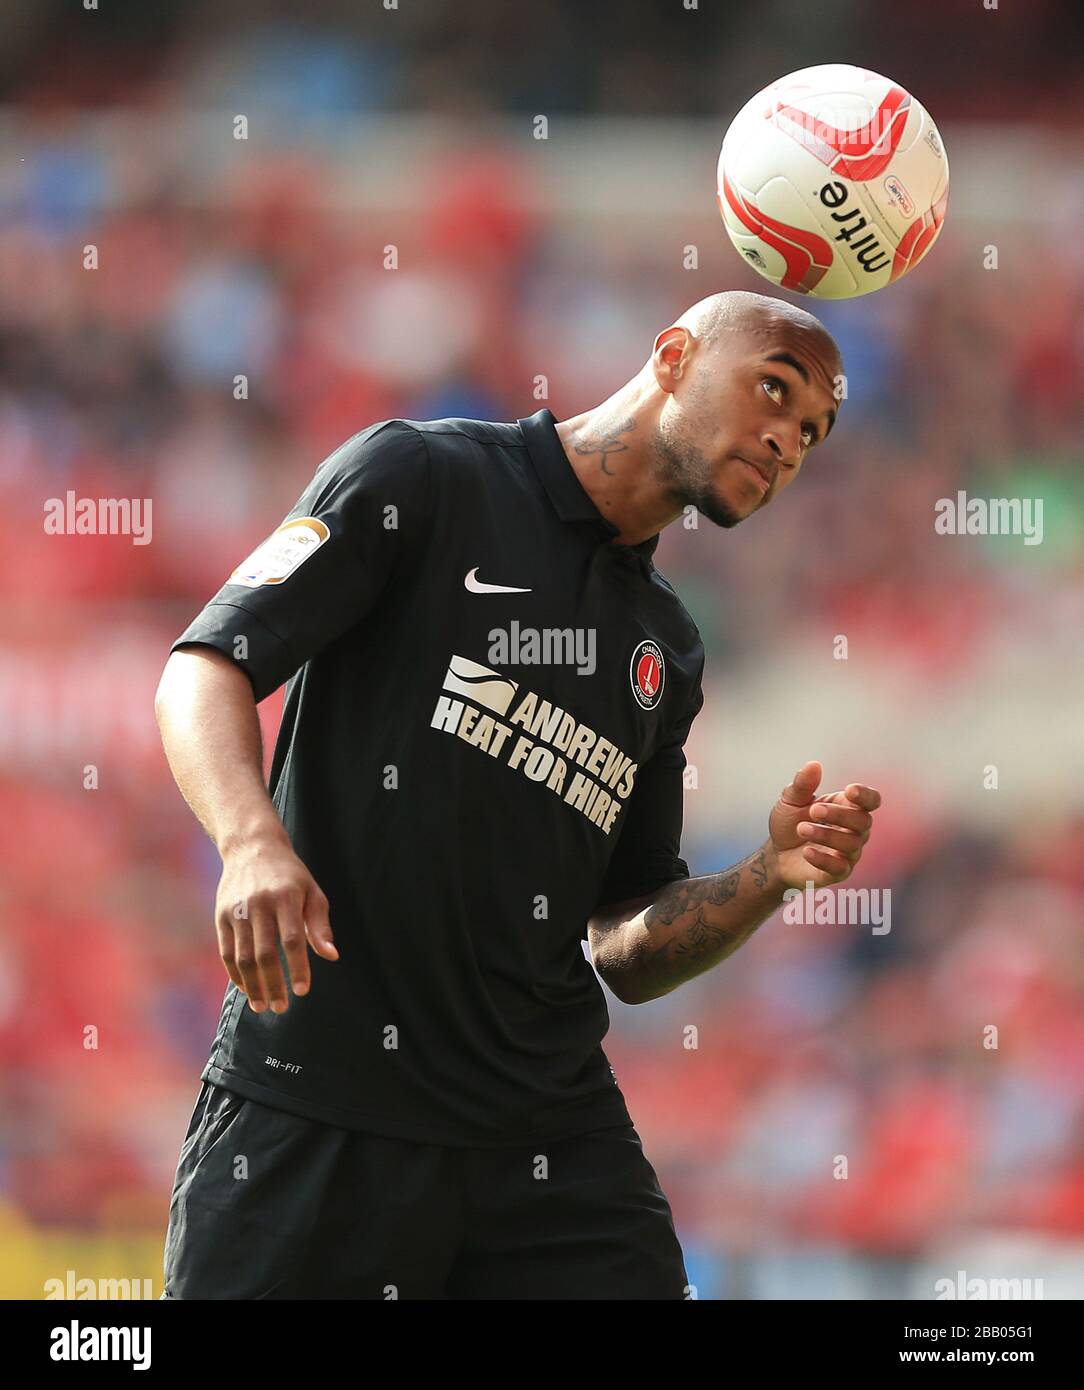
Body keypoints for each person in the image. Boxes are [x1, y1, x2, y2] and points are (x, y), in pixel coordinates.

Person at [154, 289, 881, 1300]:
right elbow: (205, 664)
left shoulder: (665, 648)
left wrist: (765, 877)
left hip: (547, 1142)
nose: (787, 440)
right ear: (672, 355)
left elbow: (622, 945)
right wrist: (252, 842)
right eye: (773, 389)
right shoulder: (424, 476)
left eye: (811, 430)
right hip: (320, 1109)